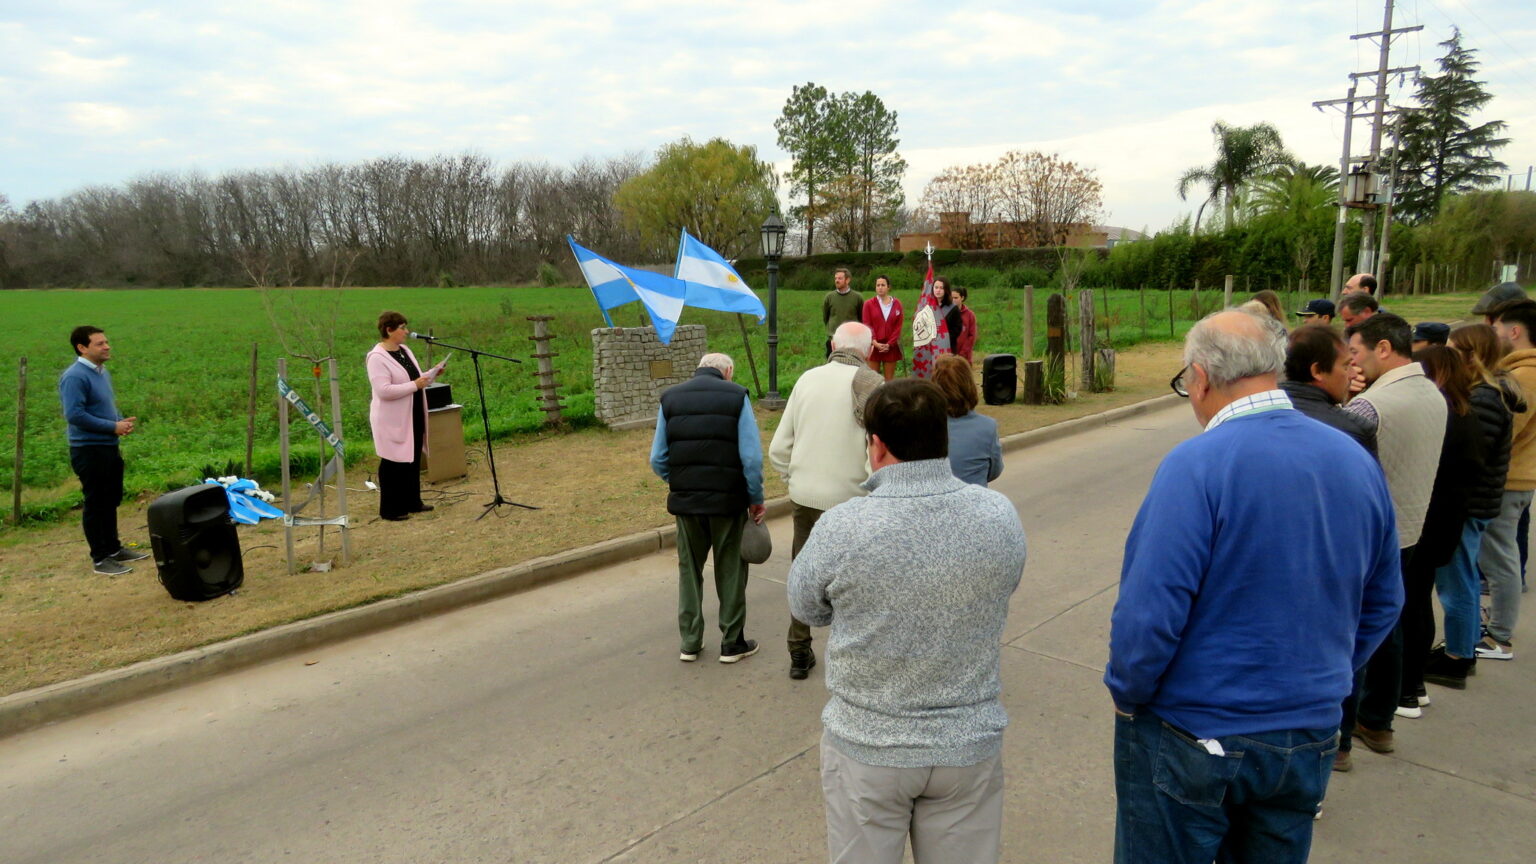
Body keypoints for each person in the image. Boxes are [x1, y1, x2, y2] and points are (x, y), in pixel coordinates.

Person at [1108, 309, 1400, 864]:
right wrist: (1326, 672)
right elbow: (1384, 598)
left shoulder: (1196, 465)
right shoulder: (1354, 460)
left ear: (1199, 377)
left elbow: (1148, 616)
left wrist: (1130, 693)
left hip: (1195, 727)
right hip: (1309, 728)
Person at [788, 378, 1026, 864]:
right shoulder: (998, 515)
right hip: (968, 743)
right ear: (943, 436)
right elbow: (1003, 584)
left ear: (876, 447)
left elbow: (805, 607)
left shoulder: (842, 526)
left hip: (868, 747)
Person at [1338, 311, 1447, 757]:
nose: (1353, 365)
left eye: (1356, 354)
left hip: (1368, 535)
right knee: (1387, 625)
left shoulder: (1371, 406)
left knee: (1352, 638)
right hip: (1409, 527)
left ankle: (1340, 741)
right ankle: (1378, 722)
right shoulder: (1431, 392)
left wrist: (1344, 399)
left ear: (1383, 348)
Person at [769, 322, 884, 680]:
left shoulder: (806, 379)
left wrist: (795, 479)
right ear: (868, 351)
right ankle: (850, 654)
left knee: (803, 571)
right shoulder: (874, 386)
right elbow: (876, 451)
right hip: (852, 497)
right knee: (853, 577)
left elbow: (778, 448)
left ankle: (799, 650)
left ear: (833, 344)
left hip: (806, 494)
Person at [649, 353, 766, 664]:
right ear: (727, 371)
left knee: (689, 571)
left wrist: (681, 481)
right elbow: (751, 459)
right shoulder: (736, 395)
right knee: (730, 571)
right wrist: (755, 497)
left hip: (686, 504)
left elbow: (657, 459)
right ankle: (731, 643)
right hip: (728, 503)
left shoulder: (670, 398)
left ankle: (689, 642)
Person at [1426, 325, 1522, 687]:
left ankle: (1458, 655)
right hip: (1476, 500)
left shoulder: (1483, 398)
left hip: (1468, 503)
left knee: (1457, 581)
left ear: (1471, 356)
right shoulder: (1489, 393)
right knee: (1459, 577)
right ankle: (1459, 647)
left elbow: (1469, 454)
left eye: (1453, 350)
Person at [1397, 347, 1483, 719]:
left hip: (1427, 522)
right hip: (1447, 523)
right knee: (1420, 603)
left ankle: (1405, 691)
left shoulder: (1442, 415)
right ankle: (1414, 685)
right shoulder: (1468, 413)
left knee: (1409, 607)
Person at [58, 325, 147, 576]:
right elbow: (74, 414)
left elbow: (103, 407)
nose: (107, 346)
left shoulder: (101, 372)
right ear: (82, 348)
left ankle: (114, 549)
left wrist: (120, 422)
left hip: (108, 446)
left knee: (110, 499)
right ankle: (100, 558)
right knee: (96, 503)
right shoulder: (75, 376)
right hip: (89, 450)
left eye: (106, 342)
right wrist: (112, 426)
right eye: (100, 343)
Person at [1478, 300, 1536, 661]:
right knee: (1499, 556)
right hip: (1514, 476)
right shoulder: (1519, 370)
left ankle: (1500, 636)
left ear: (1514, 331)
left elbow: (1508, 428)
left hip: (1509, 477)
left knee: (1500, 559)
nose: (1494, 334)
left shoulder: (1526, 375)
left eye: (1497, 327)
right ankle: (1497, 624)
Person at [367, 311, 444, 521]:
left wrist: (431, 374)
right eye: (402, 327)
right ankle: (390, 509)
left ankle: (413, 501)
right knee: (393, 461)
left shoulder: (405, 351)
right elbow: (384, 390)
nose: (406, 331)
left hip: (413, 412)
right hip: (391, 418)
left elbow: (414, 378)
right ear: (389, 330)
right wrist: (414, 385)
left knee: (412, 457)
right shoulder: (377, 358)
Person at [1278, 324, 1376, 455]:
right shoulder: (1355, 430)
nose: (1353, 375)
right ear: (1317, 371)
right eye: (1346, 366)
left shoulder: (1255, 416)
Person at [931, 355, 1002, 486]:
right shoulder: (987, 427)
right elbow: (994, 471)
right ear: (970, 386)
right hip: (975, 501)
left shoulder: (921, 427)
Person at [911, 277, 961, 379]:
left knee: (945, 376)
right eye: (936, 287)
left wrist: (941, 338)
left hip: (946, 349)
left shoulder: (952, 308)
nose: (938, 290)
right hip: (928, 349)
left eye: (941, 288)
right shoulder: (927, 307)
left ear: (946, 290)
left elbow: (957, 329)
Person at [861, 274, 903, 381]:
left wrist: (889, 344)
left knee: (889, 381)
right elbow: (867, 324)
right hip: (874, 347)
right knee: (873, 381)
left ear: (888, 287)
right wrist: (874, 342)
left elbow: (898, 327)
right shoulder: (868, 304)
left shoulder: (897, 304)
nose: (880, 287)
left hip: (890, 347)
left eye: (883, 285)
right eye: (878, 285)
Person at [822, 267, 863, 358]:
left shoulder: (857, 297)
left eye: (840, 278)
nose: (837, 280)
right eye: (835, 278)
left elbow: (861, 318)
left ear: (847, 280)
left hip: (852, 340)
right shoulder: (829, 297)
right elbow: (826, 317)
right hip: (834, 339)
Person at [953, 285, 978, 362]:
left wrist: (962, 354)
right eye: (951, 298)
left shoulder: (970, 315)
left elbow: (971, 336)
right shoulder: (945, 314)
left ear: (962, 298)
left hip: (964, 357)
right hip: (949, 356)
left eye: (956, 298)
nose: (953, 300)